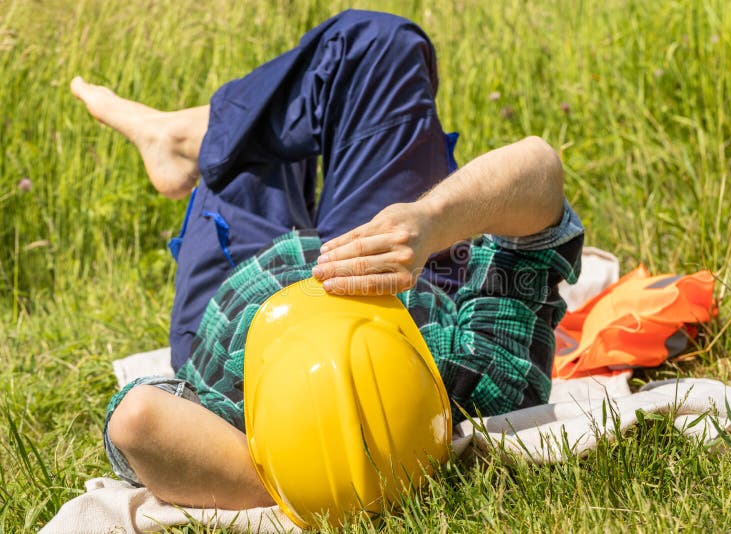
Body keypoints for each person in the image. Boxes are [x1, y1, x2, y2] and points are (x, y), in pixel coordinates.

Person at [72, 10, 583, 511]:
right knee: (382, 43)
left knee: (251, 151)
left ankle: (189, 139)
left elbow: (135, 419)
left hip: (232, 283)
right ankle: (193, 137)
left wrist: (291, 486)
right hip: (382, 251)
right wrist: (430, 219)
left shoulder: (237, 419)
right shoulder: (478, 382)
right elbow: (539, 170)